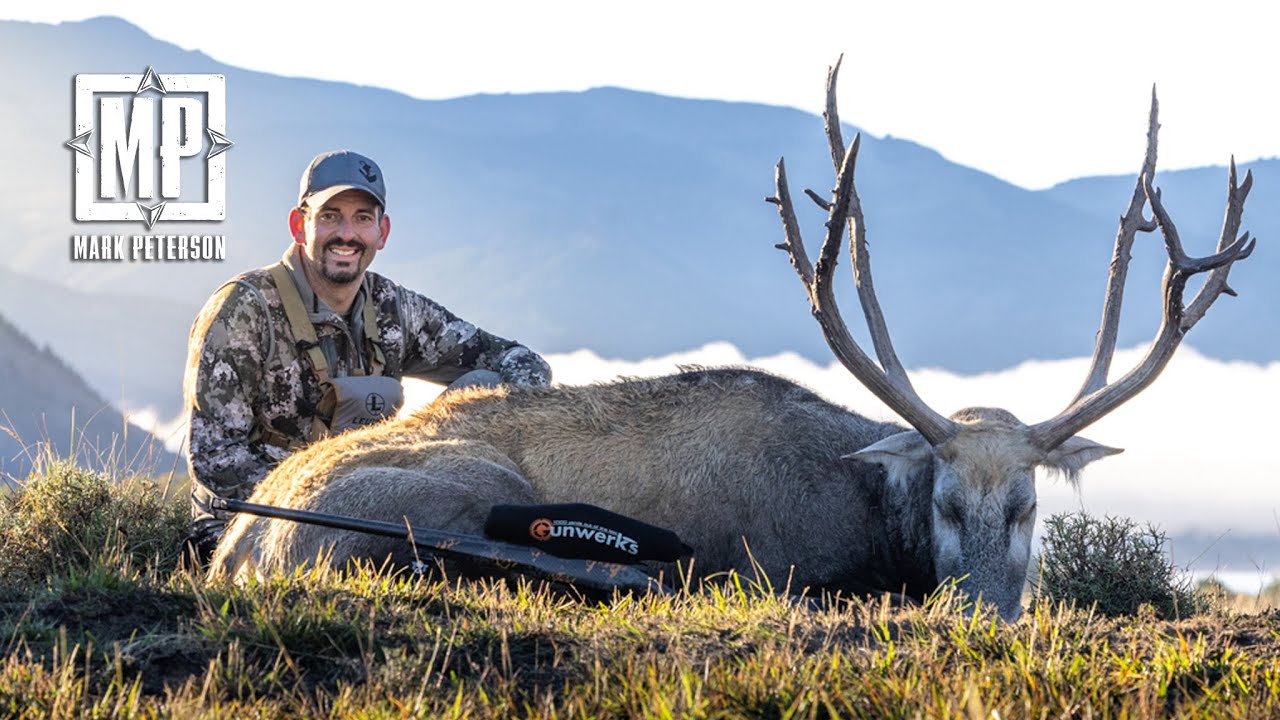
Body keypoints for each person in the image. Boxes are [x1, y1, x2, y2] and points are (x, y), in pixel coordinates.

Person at [181, 150, 551, 567]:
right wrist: (325, 496)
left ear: (382, 231)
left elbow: (521, 363)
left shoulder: (394, 308)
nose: (346, 234)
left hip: (369, 514)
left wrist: (445, 449)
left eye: (362, 218)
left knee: (482, 382)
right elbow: (214, 458)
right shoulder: (243, 310)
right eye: (330, 216)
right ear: (298, 224)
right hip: (255, 527)